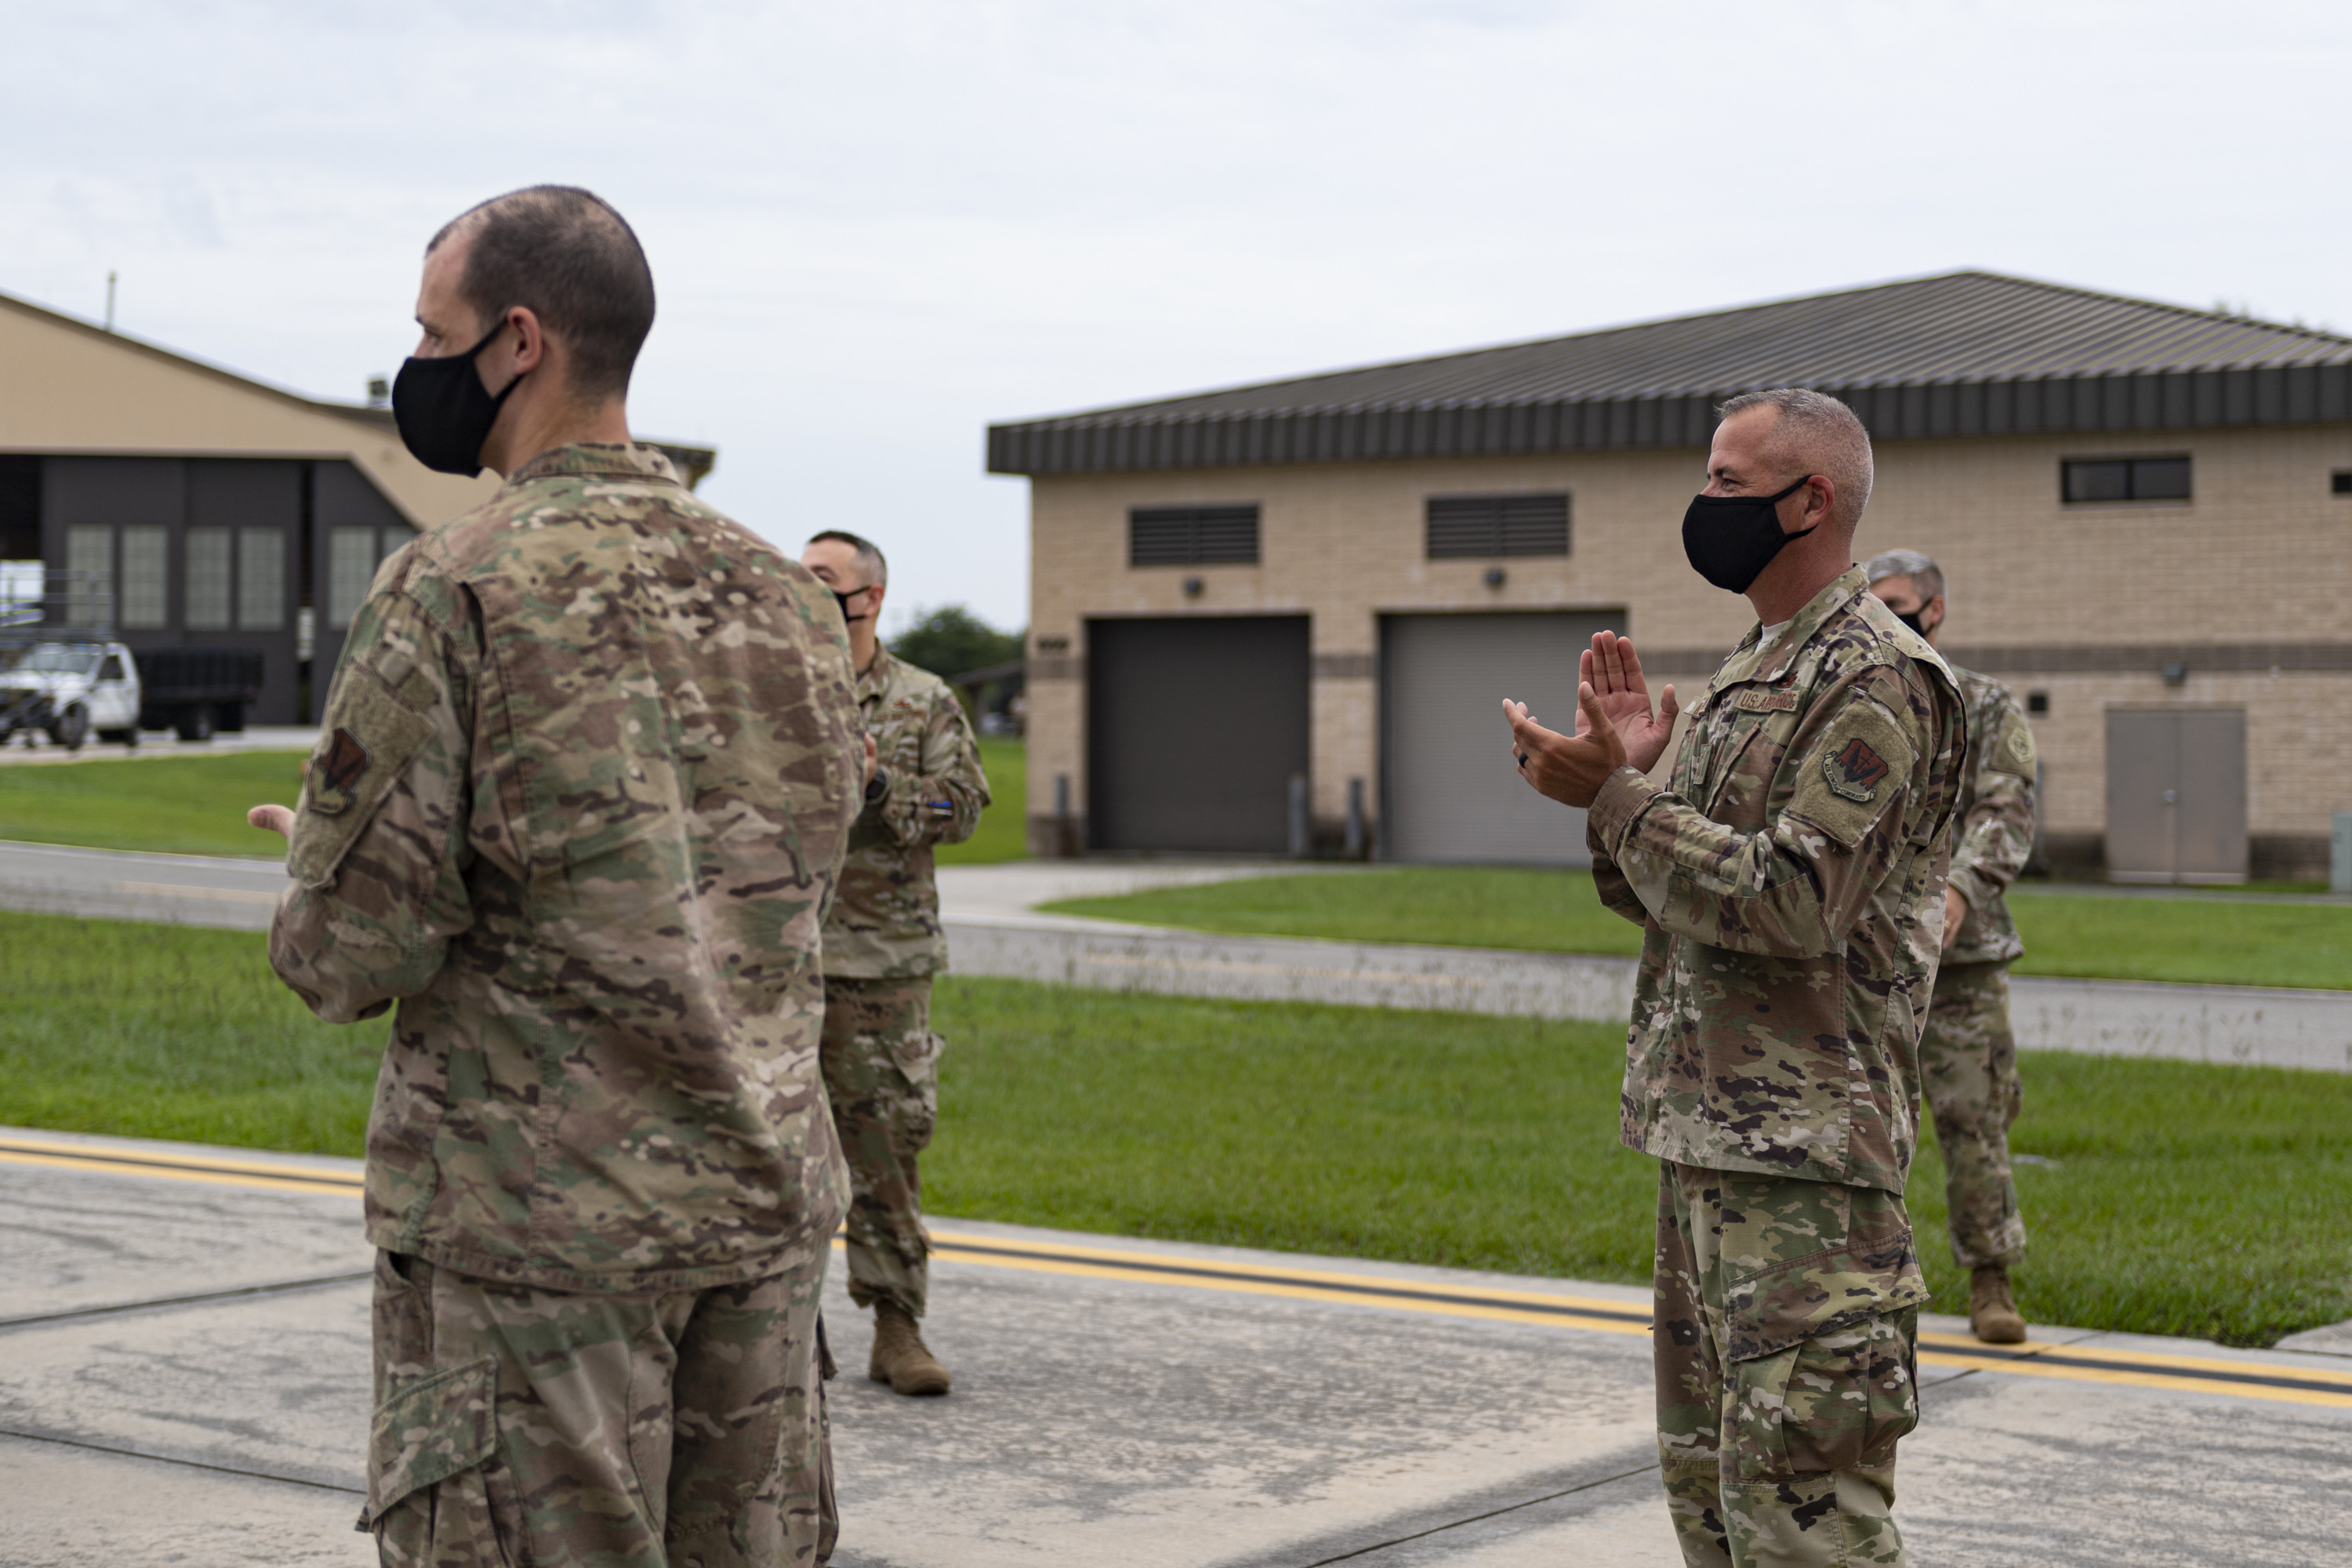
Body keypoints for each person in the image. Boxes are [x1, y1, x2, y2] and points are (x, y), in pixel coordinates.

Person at [249, 186, 863, 1566]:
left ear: (517, 342)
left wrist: (315, 869)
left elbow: (351, 953)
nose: (417, 364)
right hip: (759, 1230)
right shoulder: (787, 600)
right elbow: (792, 887)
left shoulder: (456, 585)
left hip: (536, 1256)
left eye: (433, 330)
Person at [1504, 388, 1968, 1568]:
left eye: (1725, 482)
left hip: (1809, 1170)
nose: (1702, 505)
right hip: (1709, 1145)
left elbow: (1794, 902)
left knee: (1807, 1529)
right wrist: (1628, 786)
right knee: (1713, 1512)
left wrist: (1619, 800)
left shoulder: (1873, 677)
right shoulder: (1751, 670)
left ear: (1810, 499)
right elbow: (1666, 902)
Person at [797, 529, 989, 1396]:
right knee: (769, 1159)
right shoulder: (771, 693)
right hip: (774, 964)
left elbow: (963, 806)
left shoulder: (922, 699)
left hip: (881, 962)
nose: (805, 589)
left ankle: (896, 1325)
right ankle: (775, 1336)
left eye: (823, 579)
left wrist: (881, 792)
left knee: (883, 1150)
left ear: (869, 597)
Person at [1865, 550, 2036, 1345]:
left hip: (1960, 961)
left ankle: (1990, 1280)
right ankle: (1871, 1287)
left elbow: (2006, 812)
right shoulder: (1853, 703)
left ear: (1936, 611)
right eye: (1871, 604)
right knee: (1863, 1126)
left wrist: (1960, 892)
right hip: (1864, 956)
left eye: (1898, 604)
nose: (1884, 617)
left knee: (1974, 1116)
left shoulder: (1985, 705)